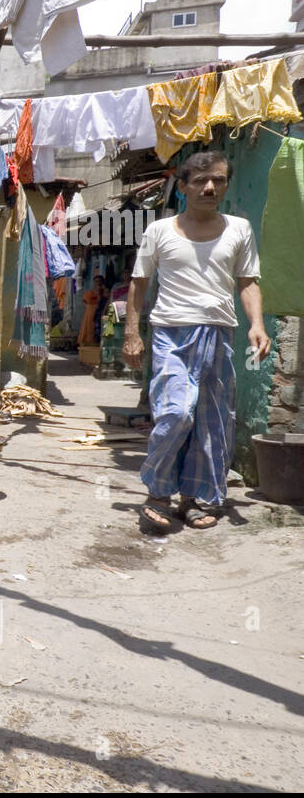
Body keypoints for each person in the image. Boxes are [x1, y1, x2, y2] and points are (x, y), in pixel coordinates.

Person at [122, 151, 271, 533]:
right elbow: (139, 283)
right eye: (201, 181)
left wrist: (257, 324)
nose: (210, 188)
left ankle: (195, 496)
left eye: (219, 180)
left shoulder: (239, 229)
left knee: (212, 423)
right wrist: (132, 334)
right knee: (176, 412)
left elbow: (248, 281)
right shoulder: (159, 231)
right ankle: (158, 490)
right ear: (184, 186)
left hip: (219, 333)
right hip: (170, 333)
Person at [78, 274, 106, 348]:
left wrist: (98, 293)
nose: (98, 283)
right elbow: (84, 301)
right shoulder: (89, 292)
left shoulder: (104, 292)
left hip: (100, 313)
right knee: (88, 328)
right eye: (96, 281)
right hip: (89, 314)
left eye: (100, 281)